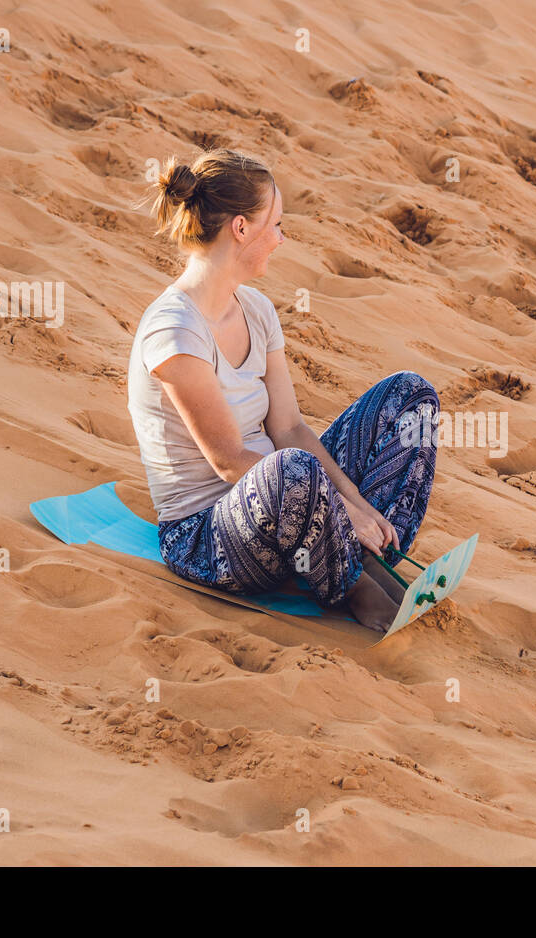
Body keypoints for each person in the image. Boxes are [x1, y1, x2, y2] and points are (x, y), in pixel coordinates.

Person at [126, 148, 439, 631]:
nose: (281, 238)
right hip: (209, 536)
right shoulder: (174, 331)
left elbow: (288, 427)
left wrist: (354, 504)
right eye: (274, 224)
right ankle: (352, 586)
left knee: (410, 398)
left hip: (292, 495)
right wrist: (336, 508)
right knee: (291, 471)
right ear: (240, 228)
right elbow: (230, 461)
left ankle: (367, 553)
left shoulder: (256, 310)